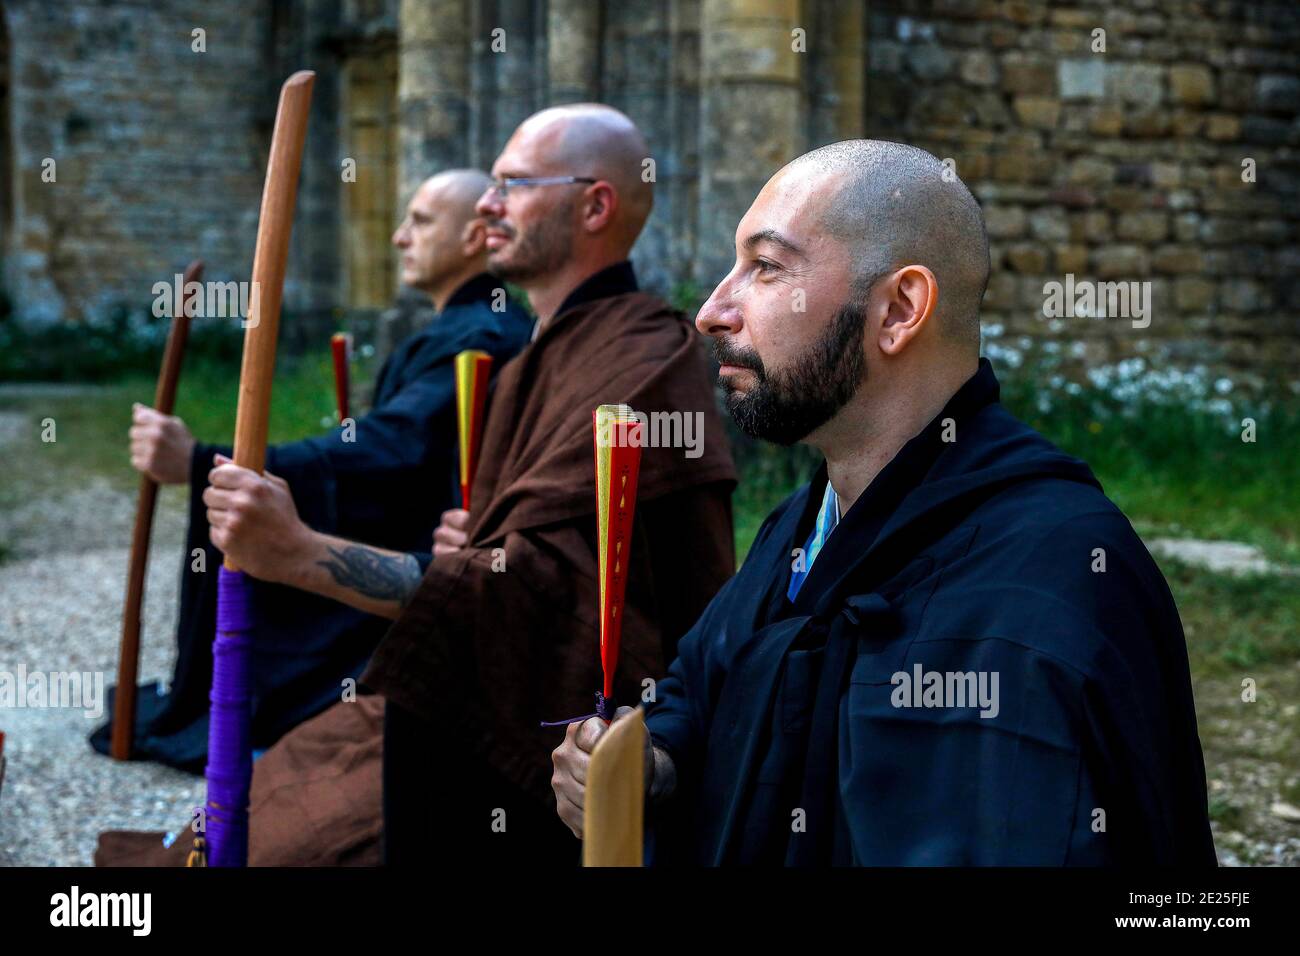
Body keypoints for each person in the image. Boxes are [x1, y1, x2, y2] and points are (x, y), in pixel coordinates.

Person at [551, 140, 1218, 866]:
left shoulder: (1056, 576)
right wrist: (645, 771)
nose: (713, 310)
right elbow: (700, 700)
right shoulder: (801, 530)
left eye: (766, 268)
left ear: (899, 309)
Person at [195, 104, 738, 866]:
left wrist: (301, 552)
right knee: (292, 791)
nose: (487, 205)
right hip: (493, 668)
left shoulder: (643, 357)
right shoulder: (533, 358)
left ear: (594, 205)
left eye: (511, 185)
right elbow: (519, 546)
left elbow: (548, 587)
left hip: (580, 724)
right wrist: (476, 543)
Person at [93, 170, 533, 772]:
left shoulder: (483, 334)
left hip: (438, 570)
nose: (400, 237)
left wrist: (205, 461)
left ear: (476, 237)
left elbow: (394, 450)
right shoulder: (460, 327)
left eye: (421, 222)